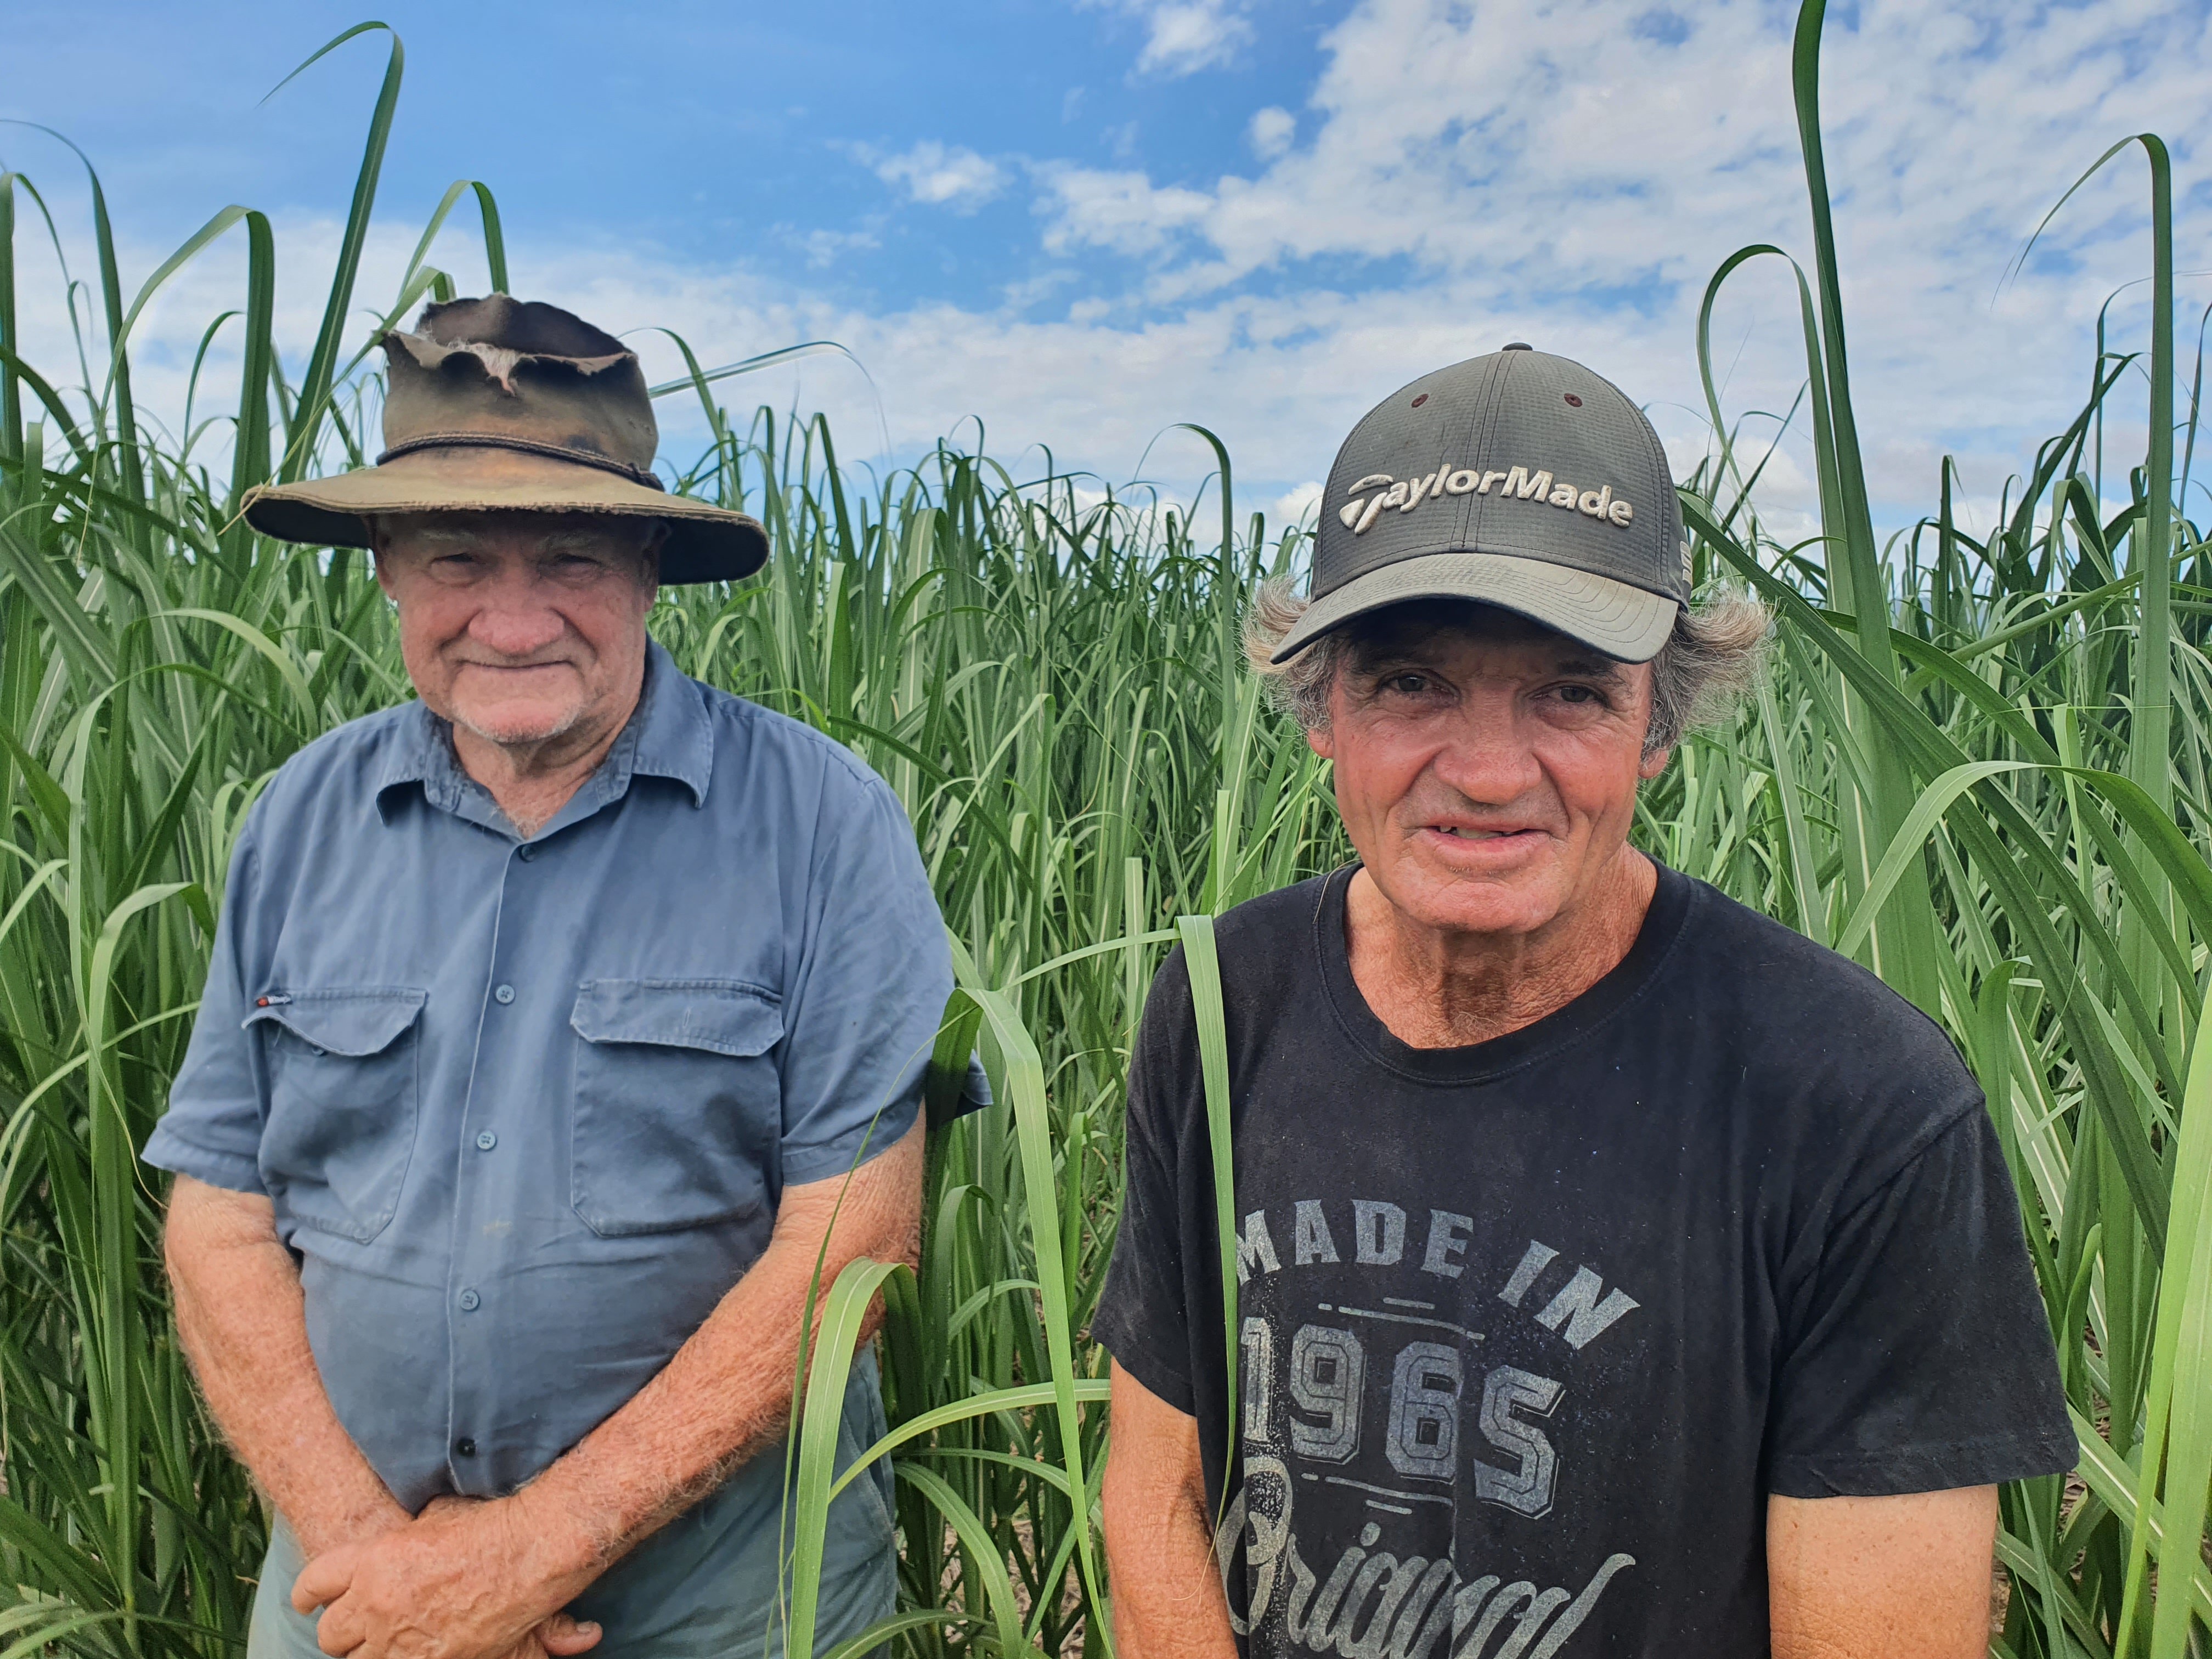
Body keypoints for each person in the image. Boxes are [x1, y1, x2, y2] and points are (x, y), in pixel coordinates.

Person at [1093, 345, 2074, 1658]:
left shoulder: (1861, 1110)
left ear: (1659, 727)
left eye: (1570, 690)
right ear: (1321, 707)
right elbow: (1156, 1492)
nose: (1490, 771)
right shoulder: (1225, 1000)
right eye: (1411, 681)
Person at [146, 296, 953, 1658]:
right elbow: (218, 1217)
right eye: (458, 555)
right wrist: (374, 1564)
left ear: (647, 567)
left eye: (571, 558)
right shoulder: (301, 818)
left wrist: (532, 1553)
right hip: (351, 1609)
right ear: (388, 569)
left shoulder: (821, 821)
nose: (512, 622)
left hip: (721, 1616)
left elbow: (850, 1244)